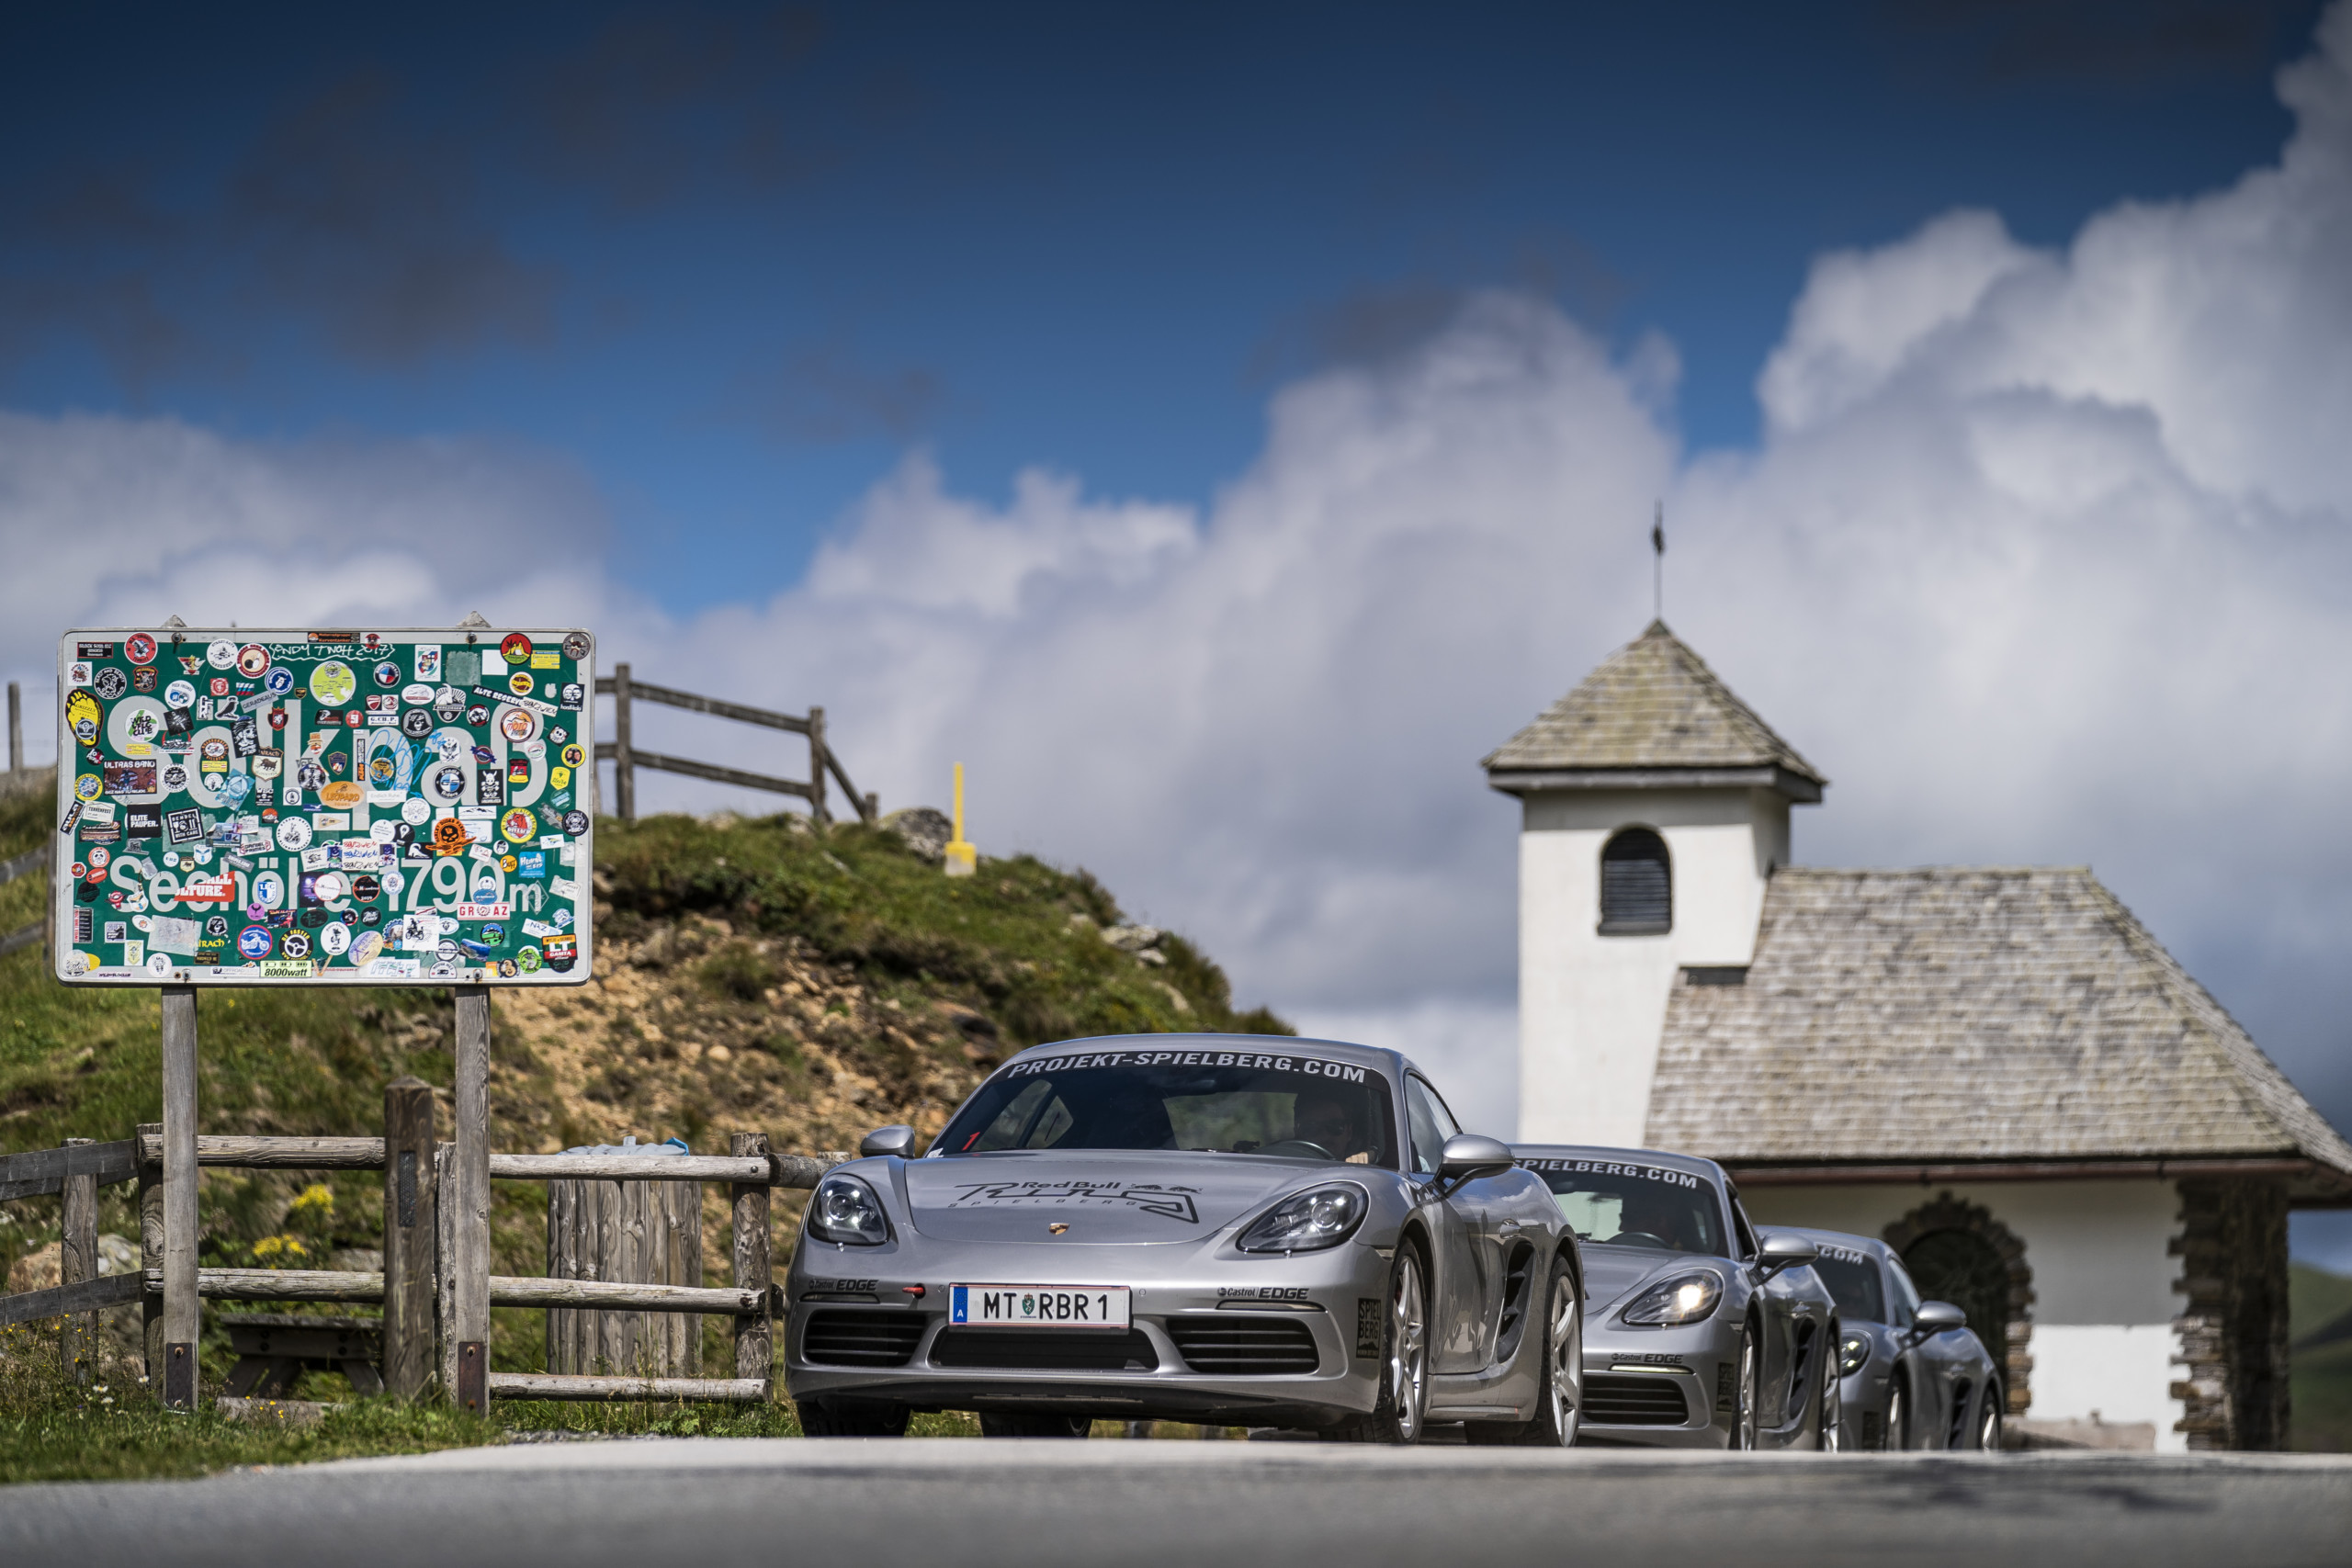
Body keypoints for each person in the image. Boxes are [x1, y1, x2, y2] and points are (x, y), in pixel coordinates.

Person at [1292, 1086, 1374, 1164]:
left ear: (1349, 1132)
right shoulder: (1282, 1162)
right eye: (1312, 1127)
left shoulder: (1360, 1172)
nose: (1324, 1136)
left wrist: (1371, 1156)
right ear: (1298, 1131)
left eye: (1334, 1126)